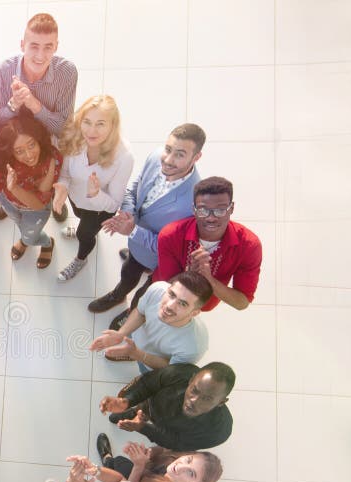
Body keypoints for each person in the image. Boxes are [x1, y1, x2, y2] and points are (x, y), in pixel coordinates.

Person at [89, 124, 206, 327]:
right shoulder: (155, 157)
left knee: (145, 296)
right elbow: (135, 187)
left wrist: (132, 230)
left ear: (196, 157)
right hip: (137, 246)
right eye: (168, 149)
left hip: (158, 260)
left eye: (179, 154)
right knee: (128, 273)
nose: (168, 160)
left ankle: (132, 311)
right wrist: (128, 215)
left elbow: (171, 249)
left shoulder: (194, 203)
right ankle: (119, 294)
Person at [0, 12, 78, 222]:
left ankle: (52, 201)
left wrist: (34, 105)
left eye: (48, 47)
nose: (40, 55)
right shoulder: (4, 70)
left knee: (49, 177)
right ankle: (12, 199)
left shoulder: (67, 73)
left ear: (56, 46)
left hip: (49, 143)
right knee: (13, 174)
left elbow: (64, 129)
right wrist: (14, 104)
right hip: (17, 143)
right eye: (34, 46)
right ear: (22, 44)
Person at [53, 95, 134, 281]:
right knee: (80, 217)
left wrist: (95, 194)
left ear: (113, 125)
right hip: (76, 199)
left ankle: (81, 259)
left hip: (99, 210)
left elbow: (113, 205)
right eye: (87, 122)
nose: (91, 131)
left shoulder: (124, 157)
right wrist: (63, 188)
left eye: (100, 124)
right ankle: (81, 227)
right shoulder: (76, 138)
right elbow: (65, 174)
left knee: (85, 234)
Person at [154, 176, 262, 311]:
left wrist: (209, 280)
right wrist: (190, 274)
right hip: (163, 293)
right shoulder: (170, 234)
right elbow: (163, 287)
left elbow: (242, 303)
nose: (211, 218)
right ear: (193, 209)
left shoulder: (249, 245)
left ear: (232, 208)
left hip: (206, 304)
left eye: (220, 210)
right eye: (203, 210)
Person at [0, 114, 61, 267]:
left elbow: (39, 204)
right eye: (19, 151)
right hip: (8, 203)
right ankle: (26, 236)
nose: (29, 155)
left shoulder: (51, 158)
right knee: (20, 224)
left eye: (31, 145)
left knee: (29, 236)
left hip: (35, 211)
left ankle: (46, 243)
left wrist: (14, 188)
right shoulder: (3, 162)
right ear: (10, 152)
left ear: (38, 140)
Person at [100, 361, 235, 452]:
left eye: (206, 398)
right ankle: (134, 412)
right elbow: (148, 383)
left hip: (170, 431)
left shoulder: (218, 431)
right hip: (151, 405)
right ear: (191, 380)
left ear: (221, 402)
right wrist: (127, 401)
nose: (194, 400)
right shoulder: (179, 373)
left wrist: (144, 428)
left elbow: (177, 443)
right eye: (194, 390)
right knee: (131, 412)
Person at [89, 271, 211, 372]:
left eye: (183, 303)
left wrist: (138, 354)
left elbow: (171, 370)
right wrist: (121, 334)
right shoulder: (157, 289)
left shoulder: (193, 346)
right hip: (137, 338)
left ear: (194, 313)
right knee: (132, 341)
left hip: (151, 366)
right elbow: (141, 312)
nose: (169, 306)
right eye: (172, 294)